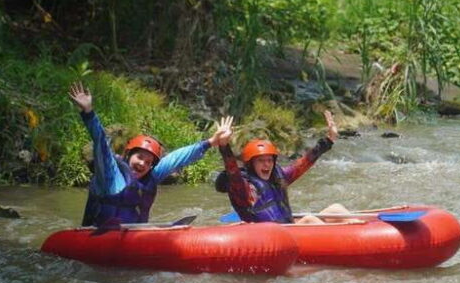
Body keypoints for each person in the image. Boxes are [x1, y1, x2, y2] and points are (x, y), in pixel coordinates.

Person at [68, 82, 233, 227]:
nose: (143, 164)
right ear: (128, 155)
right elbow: (101, 142)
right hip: (97, 236)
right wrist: (88, 112)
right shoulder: (110, 173)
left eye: (148, 162)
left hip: (133, 236)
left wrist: (211, 142)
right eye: (139, 157)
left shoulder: (150, 177)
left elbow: (176, 159)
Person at [214, 110, 349, 224]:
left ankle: (360, 234)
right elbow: (233, 172)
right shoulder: (245, 189)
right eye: (261, 161)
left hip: (288, 230)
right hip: (269, 239)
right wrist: (224, 146)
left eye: (269, 160)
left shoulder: (278, 177)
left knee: (336, 209)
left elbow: (305, 162)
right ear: (251, 164)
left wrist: (329, 139)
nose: (267, 164)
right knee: (309, 220)